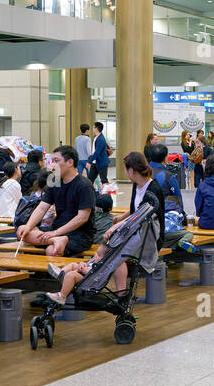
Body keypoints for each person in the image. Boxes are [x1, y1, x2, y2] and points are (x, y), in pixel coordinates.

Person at [42, 151, 164, 301]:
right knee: (109, 249)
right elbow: (135, 210)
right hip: (135, 230)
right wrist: (121, 217)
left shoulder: (153, 189)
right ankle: (90, 276)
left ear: (131, 171)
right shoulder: (137, 184)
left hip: (147, 236)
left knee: (113, 251)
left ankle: (102, 282)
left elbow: (143, 216)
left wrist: (117, 225)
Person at [17, 145, 96, 257]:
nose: (52, 165)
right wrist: (28, 226)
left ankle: (56, 244)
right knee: (23, 231)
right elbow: (42, 207)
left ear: (70, 162)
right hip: (57, 229)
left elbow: (82, 218)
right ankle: (55, 240)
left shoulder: (84, 185)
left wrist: (55, 233)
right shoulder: (54, 181)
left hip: (80, 234)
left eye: (56, 161)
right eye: (51, 161)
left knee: (51, 250)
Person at [88, 121, 110, 186]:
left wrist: (89, 161)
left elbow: (97, 152)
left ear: (96, 128)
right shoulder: (96, 137)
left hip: (101, 163)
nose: (92, 128)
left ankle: (107, 195)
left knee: (104, 180)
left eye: (93, 127)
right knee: (90, 180)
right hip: (95, 163)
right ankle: (88, 194)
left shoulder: (101, 139)